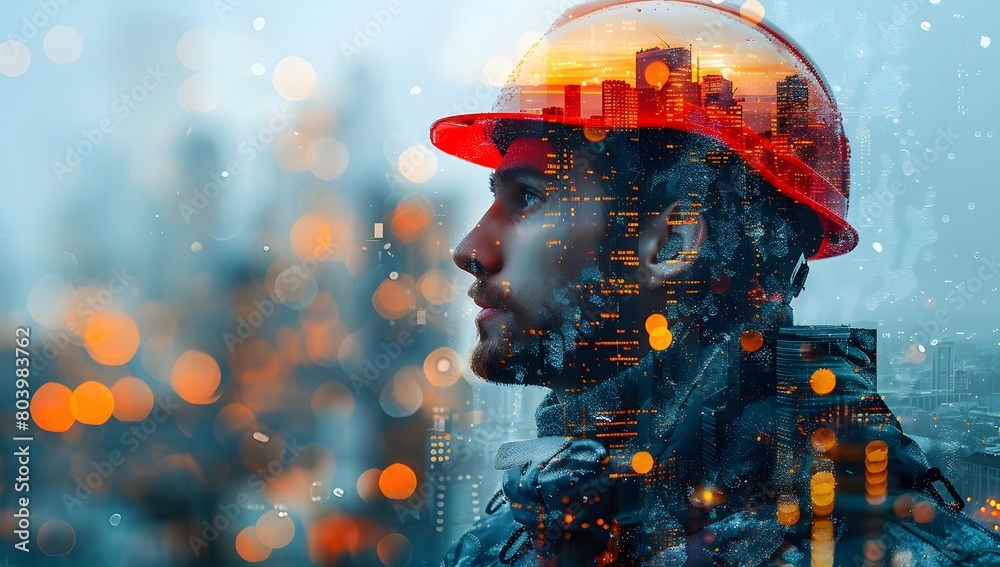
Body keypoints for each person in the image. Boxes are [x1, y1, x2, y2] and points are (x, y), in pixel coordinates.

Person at [430, 1, 1000, 565]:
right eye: (495, 200)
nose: (471, 249)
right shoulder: (503, 547)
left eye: (528, 198)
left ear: (673, 243)